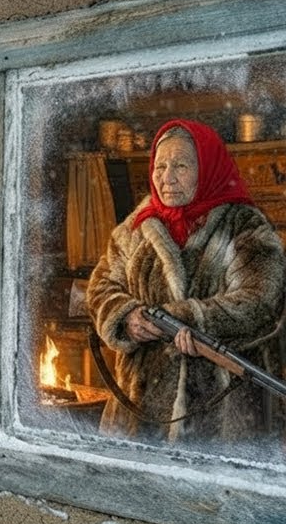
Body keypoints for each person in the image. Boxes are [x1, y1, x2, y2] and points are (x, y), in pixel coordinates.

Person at [85, 118, 285, 441]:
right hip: (140, 412)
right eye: (160, 166)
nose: (167, 178)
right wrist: (127, 317)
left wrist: (191, 320)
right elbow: (101, 286)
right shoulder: (136, 228)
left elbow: (261, 301)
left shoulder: (244, 226)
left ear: (206, 167)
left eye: (181, 166)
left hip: (225, 417)